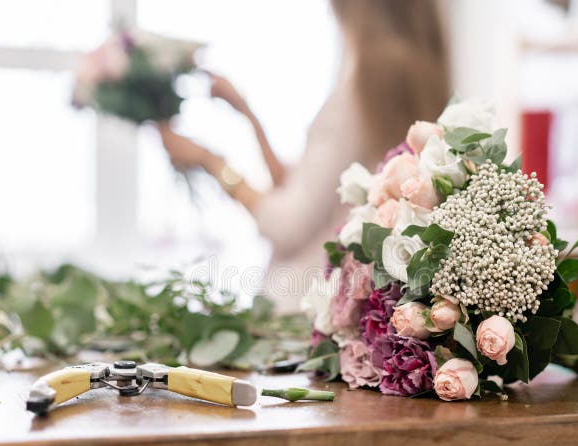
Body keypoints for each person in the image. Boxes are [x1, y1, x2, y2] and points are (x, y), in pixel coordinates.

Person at [158, 0, 451, 311]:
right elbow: (317, 192)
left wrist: (210, 161)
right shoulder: (417, 74)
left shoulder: (363, 85)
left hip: (304, 302)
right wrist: (249, 118)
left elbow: (287, 225)